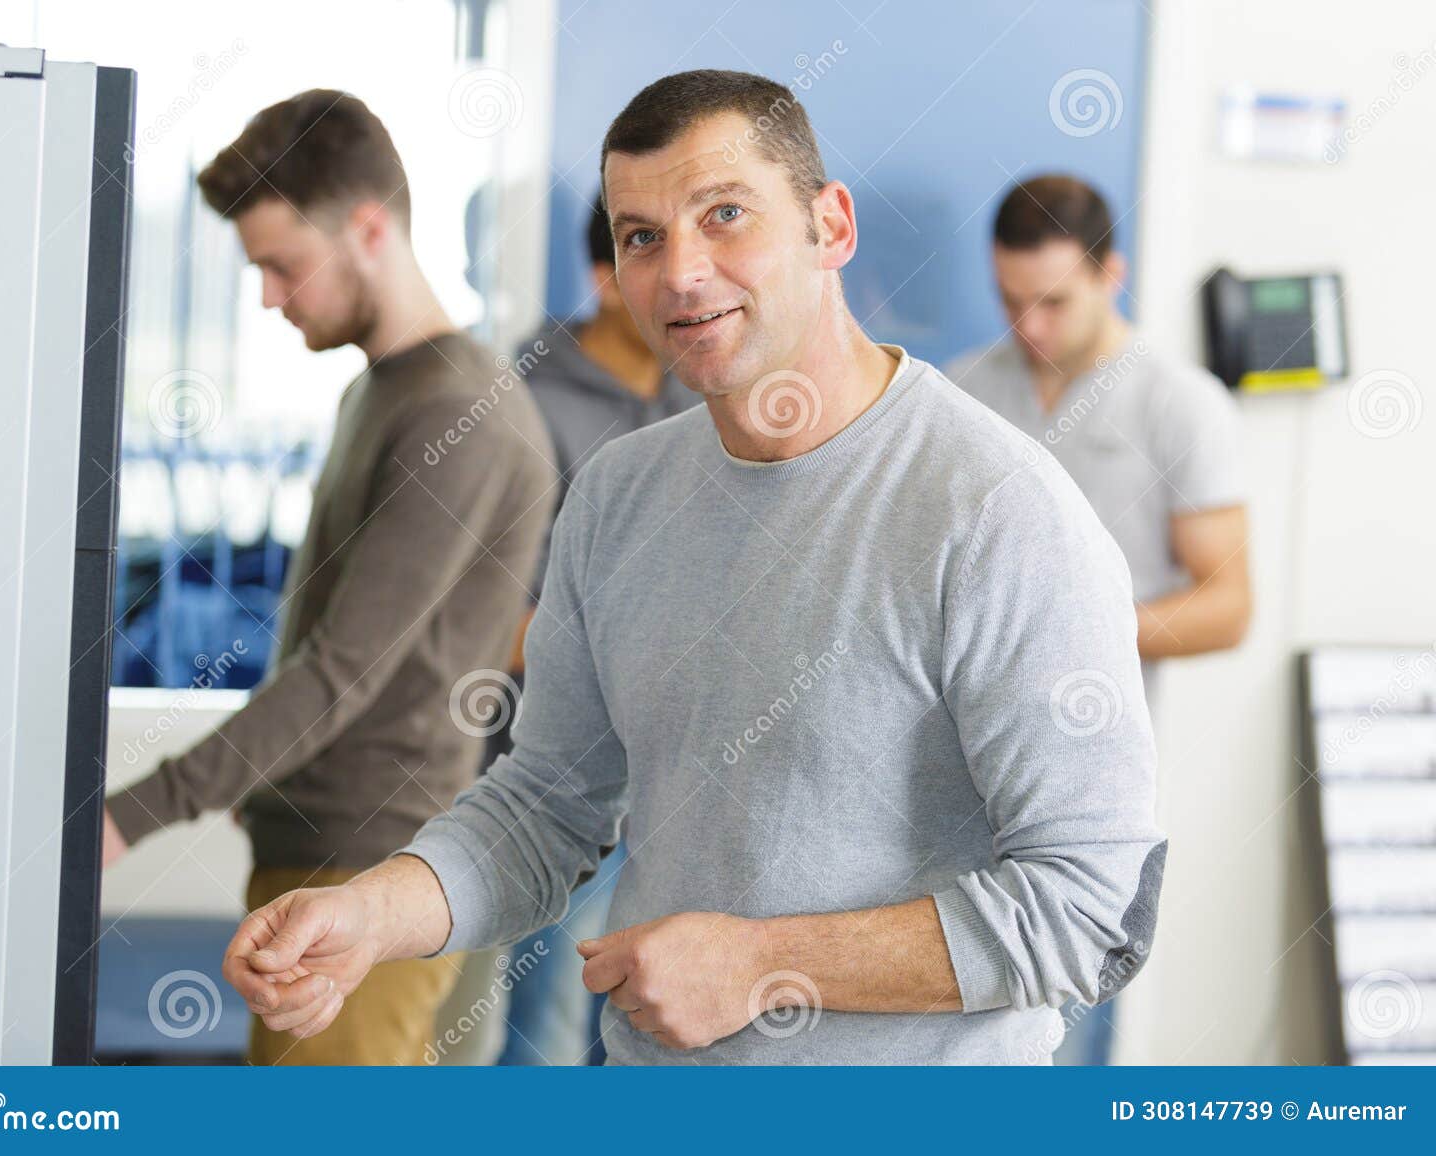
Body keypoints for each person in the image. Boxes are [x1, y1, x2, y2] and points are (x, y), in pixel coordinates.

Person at [221, 69, 1166, 1065]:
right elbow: (544, 806)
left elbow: (1093, 909)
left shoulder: (999, 510)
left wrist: (763, 965)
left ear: (830, 227)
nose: (681, 272)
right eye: (642, 236)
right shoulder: (615, 495)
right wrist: (374, 910)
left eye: (725, 216)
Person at [100, 89, 556, 1066]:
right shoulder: (382, 390)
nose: (269, 296)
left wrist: (128, 815)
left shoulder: (454, 413)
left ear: (369, 228)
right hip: (323, 855)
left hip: (367, 871)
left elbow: (338, 670)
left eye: (281, 266)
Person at [948, 175, 1251, 1065]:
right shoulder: (962, 390)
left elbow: (1229, 606)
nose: (1030, 327)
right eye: (1010, 302)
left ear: (1110, 272)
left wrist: (1074, 630)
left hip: (1091, 792)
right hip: (955, 788)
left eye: (1053, 302)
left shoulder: (1179, 404)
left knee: (1064, 1042)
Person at [494, 197, 699, 1066]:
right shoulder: (524, 405)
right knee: (546, 1031)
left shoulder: (703, 394)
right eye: (645, 252)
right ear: (603, 280)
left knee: (650, 1045)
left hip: (688, 791)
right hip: (569, 789)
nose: (684, 285)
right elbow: (493, 619)